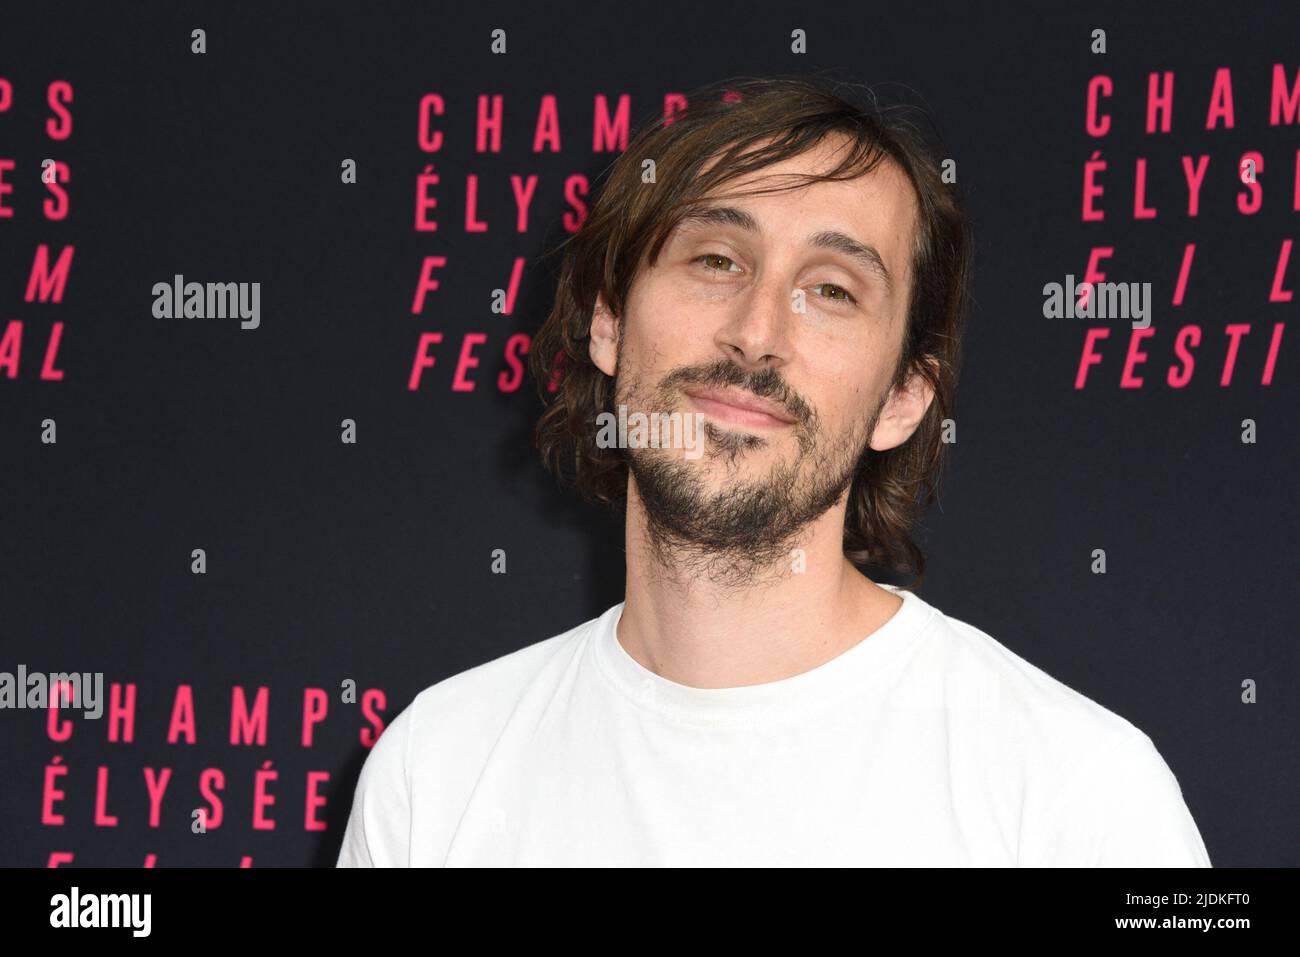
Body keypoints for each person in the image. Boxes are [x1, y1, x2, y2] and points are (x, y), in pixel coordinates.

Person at [337, 75, 1211, 867]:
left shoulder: (1084, 798)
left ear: (903, 396)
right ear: (607, 320)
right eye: (716, 259)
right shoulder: (436, 771)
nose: (759, 330)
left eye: (832, 289)